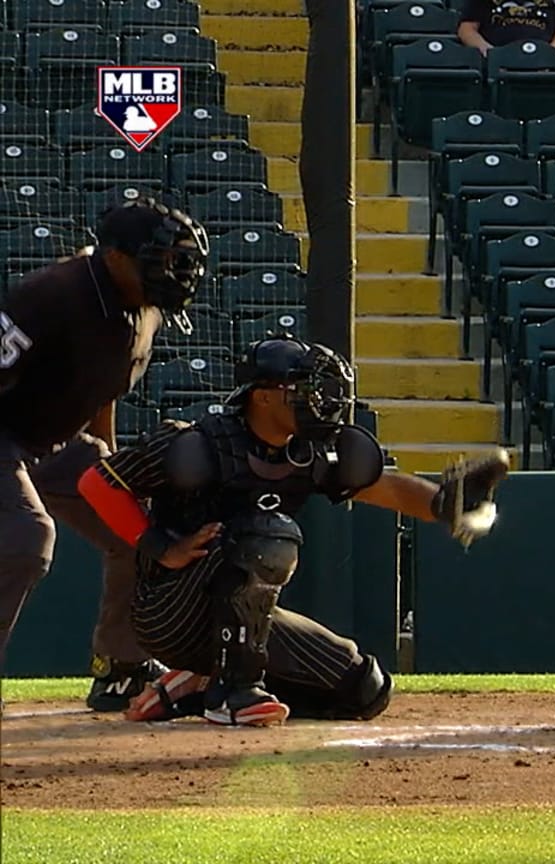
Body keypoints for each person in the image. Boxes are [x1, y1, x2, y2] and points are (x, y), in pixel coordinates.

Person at [76, 335, 510, 726]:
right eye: (301, 389)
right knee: (267, 536)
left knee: (366, 690)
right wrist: (160, 545)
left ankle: (193, 689)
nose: (317, 400)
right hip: (171, 610)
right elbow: (98, 482)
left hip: (245, 620)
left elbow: (385, 487)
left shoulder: (309, 452)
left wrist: (446, 503)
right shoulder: (198, 443)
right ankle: (231, 695)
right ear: (263, 397)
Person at [0, 198, 208, 713]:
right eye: (158, 258)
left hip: (48, 444)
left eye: (179, 260)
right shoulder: (52, 296)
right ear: (114, 257)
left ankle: (121, 667)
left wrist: (112, 471)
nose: (172, 272)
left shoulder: (145, 309)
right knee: (28, 538)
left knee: (136, 524)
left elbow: (101, 390)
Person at [457, 0, 555, 55]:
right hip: (496, 58)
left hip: (543, 61)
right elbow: (467, 29)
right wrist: (488, 52)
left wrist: (551, 52)